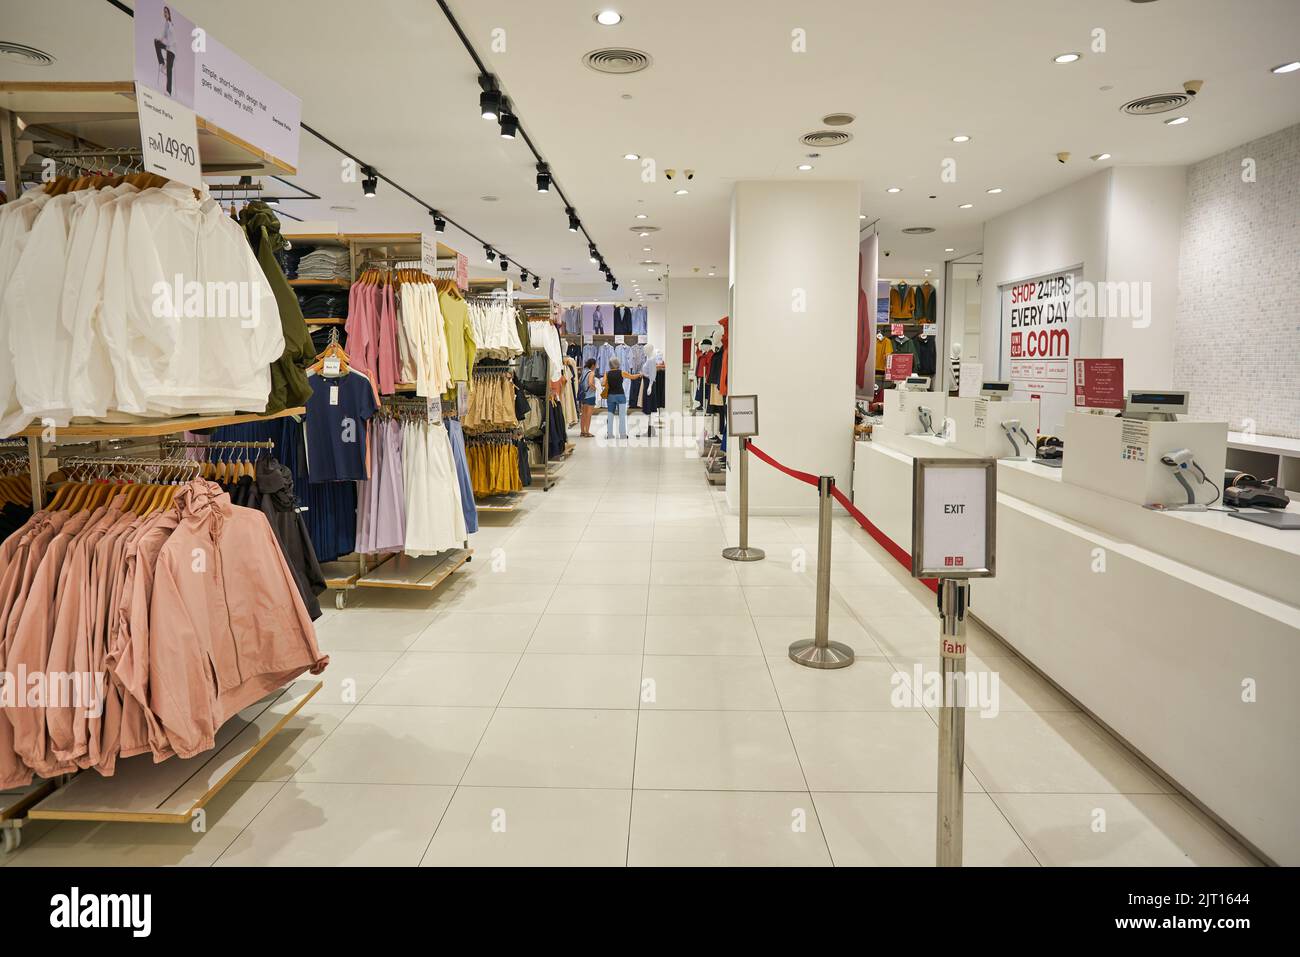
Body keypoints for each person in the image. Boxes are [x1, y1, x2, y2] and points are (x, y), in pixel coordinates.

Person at [603, 358, 628, 440]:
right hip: (621, 396)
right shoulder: (621, 372)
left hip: (611, 396)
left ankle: (610, 434)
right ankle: (623, 434)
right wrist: (639, 375)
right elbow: (632, 377)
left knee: (610, 415)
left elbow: (603, 383)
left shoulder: (607, 373)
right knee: (622, 416)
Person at [155, 6, 176, 96]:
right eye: (164, 12)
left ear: (169, 13)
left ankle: (169, 91)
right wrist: (158, 40)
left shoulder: (171, 24)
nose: (165, 13)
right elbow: (163, 35)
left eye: (166, 12)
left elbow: (173, 39)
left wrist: (168, 46)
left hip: (172, 50)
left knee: (169, 70)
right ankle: (162, 63)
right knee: (156, 42)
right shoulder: (166, 24)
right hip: (168, 48)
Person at [578, 358, 597, 437]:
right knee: (589, 415)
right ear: (593, 365)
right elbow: (590, 383)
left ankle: (582, 431)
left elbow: (579, 381)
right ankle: (587, 432)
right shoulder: (591, 373)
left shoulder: (584, 371)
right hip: (590, 396)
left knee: (583, 414)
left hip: (583, 396)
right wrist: (595, 388)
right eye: (595, 365)